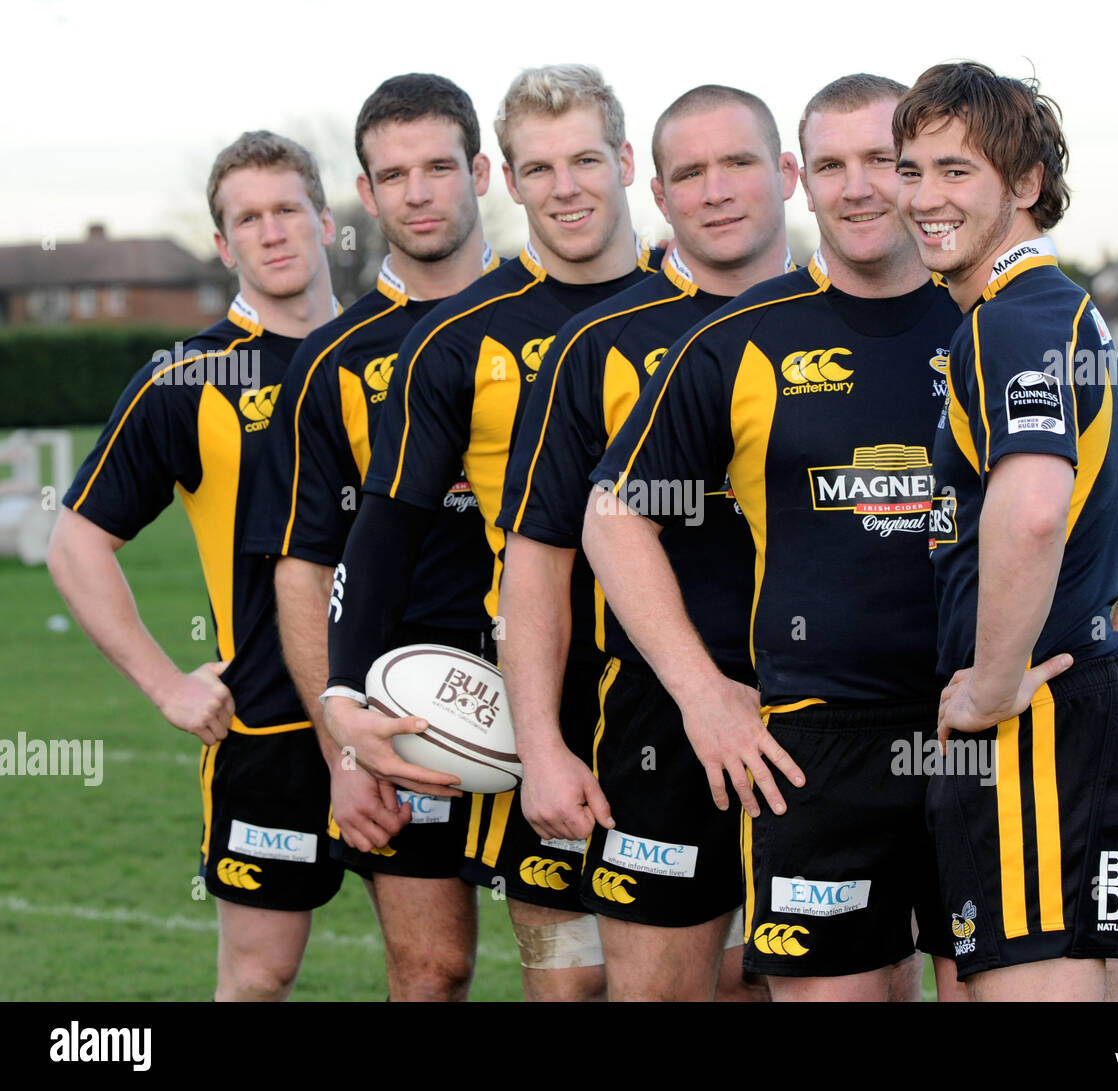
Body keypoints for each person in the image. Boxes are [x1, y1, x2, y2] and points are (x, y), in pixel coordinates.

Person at [582, 75, 966, 1001]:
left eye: (885, 160)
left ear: (921, 173)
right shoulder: (740, 340)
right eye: (833, 164)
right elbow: (613, 516)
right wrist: (702, 691)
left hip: (986, 735)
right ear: (805, 179)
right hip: (819, 747)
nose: (861, 186)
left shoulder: (1005, 318)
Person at [321, 64, 659, 1002]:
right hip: (538, 702)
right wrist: (345, 699)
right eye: (539, 168)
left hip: (698, 694)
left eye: (586, 158)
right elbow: (380, 535)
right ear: (507, 180)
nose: (567, 187)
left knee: (730, 978)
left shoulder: (708, 315)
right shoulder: (460, 339)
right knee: (571, 983)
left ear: (626, 162)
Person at [893, 61, 1118, 1001]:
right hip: (1088, 715)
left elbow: (1030, 513)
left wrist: (988, 690)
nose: (924, 198)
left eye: (956, 171)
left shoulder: (1008, 322)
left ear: (1023, 186)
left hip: (1038, 734)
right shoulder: (1065, 311)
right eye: (911, 170)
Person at [496, 84, 798, 1001]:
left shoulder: (859, 323)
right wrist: (542, 745)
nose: (716, 190)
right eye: (691, 173)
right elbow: (536, 562)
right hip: (655, 737)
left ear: (786, 176)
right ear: (658, 194)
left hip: (837, 726)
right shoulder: (596, 346)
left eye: (739, 163)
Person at [47, 131, 342, 1001]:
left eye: (288, 208)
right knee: (258, 978)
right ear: (224, 245)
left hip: (416, 716)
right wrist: (165, 683)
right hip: (268, 733)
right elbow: (75, 539)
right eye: (248, 218)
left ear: (326, 220)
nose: (274, 231)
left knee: (434, 968)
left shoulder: (402, 353)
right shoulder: (188, 377)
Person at [242, 74, 499, 1001]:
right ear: (367, 194)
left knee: (584, 975)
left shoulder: (559, 325)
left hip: (562, 702)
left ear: (481, 171)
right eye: (394, 175)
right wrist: (342, 746)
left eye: (439, 166)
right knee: (430, 970)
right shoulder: (331, 360)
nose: (420, 192)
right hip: (407, 711)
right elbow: (301, 571)